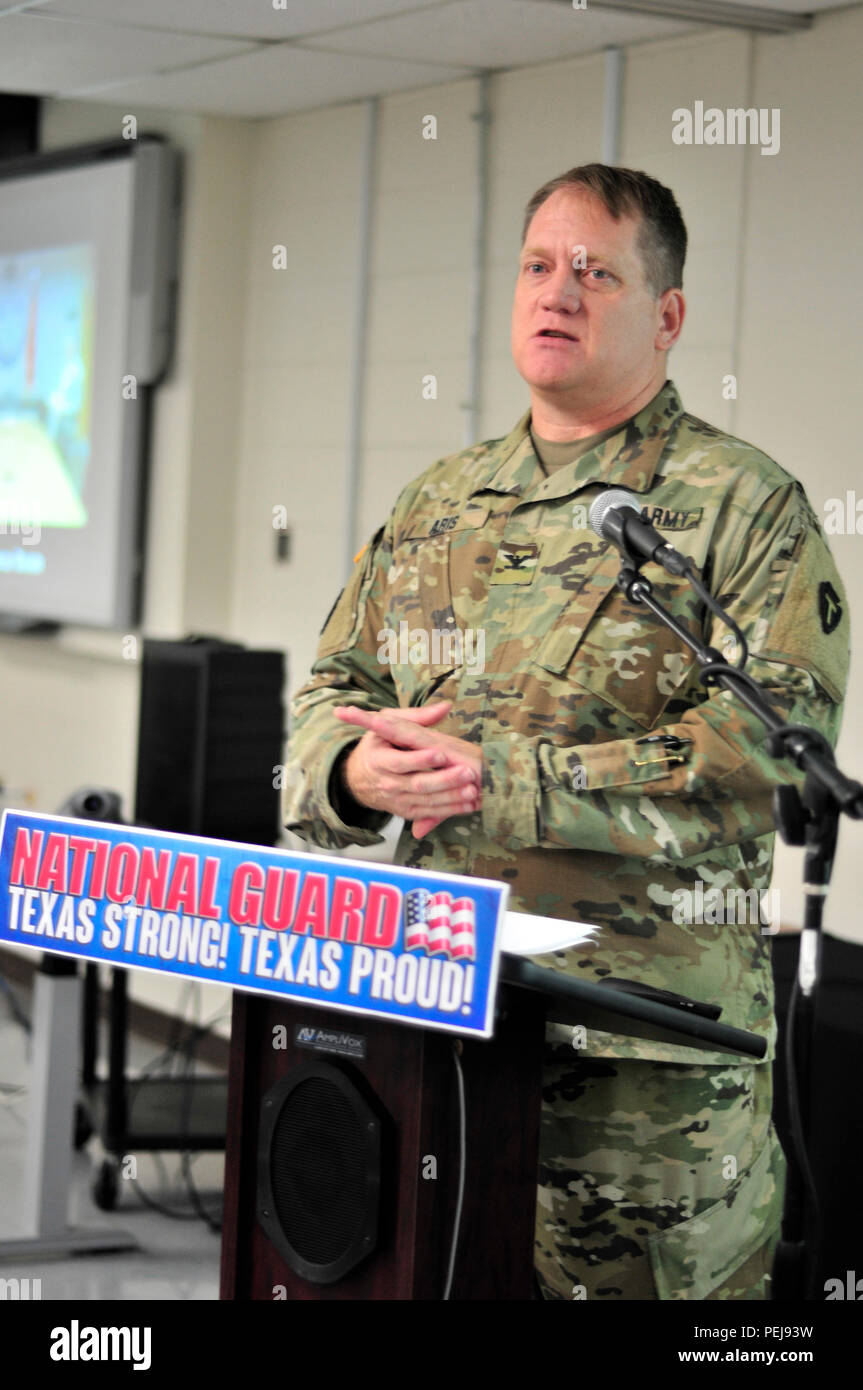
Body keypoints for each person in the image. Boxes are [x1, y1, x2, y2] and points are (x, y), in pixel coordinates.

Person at [282, 164, 849, 1299]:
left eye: (595, 271)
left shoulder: (741, 507)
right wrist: (351, 771)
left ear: (667, 315)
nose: (557, 292)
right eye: (538, 266)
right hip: (446, 1029)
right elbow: (330, 688)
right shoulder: (437, 502)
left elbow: (757, 758)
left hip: (649, 1074)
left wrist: (507, 782)